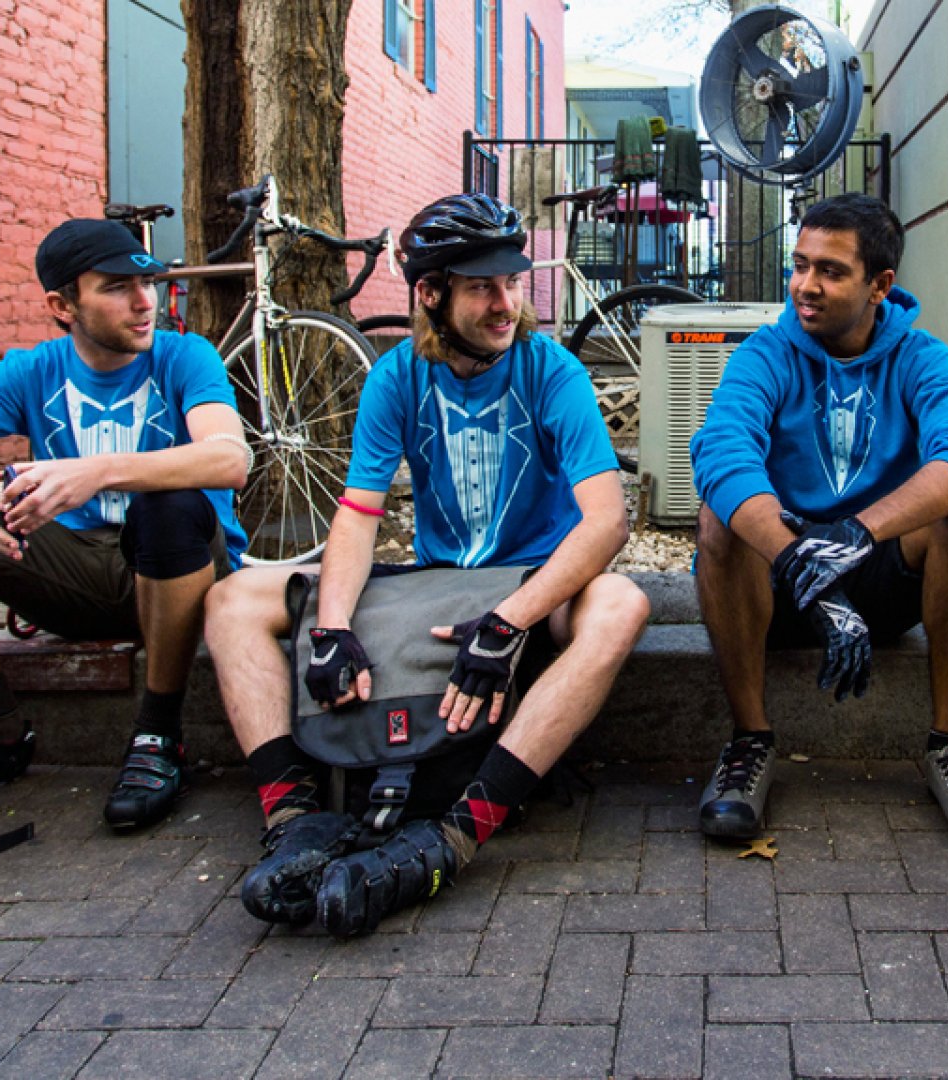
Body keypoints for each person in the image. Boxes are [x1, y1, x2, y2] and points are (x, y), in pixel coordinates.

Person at [204, 193, 649, 937]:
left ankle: (456, 834)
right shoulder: (397, 376)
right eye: (482, 286)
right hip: (439, 581)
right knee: (234, 600)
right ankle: (295, 821)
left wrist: (510, 624)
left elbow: (607, 521)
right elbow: (358, 512)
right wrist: (334, 629)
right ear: (430, 293)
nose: (506, 302)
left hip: (531, 586)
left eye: (512, 281)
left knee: (624, 605)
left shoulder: (552, 372)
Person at [0, 218, 249, 829]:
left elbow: (230, 459)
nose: (145, 301)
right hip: (73, 573)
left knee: (169, 503)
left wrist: (97, 471)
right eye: (117, 287)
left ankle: (158, 736)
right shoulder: (31, 372)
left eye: (147, 283)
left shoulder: (184, 356)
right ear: (62, 304)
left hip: (186, 575)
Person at [689, 193, 948, 851]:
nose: (806, 285)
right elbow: (721, 451)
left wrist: (856, 534)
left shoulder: (923, 358)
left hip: (878, 579)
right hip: (779, 589)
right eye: (799, 264)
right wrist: (799, 561)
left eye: (830, 271)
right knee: (719, 519)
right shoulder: (765, 354)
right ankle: (750, 743)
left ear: (879, 285)